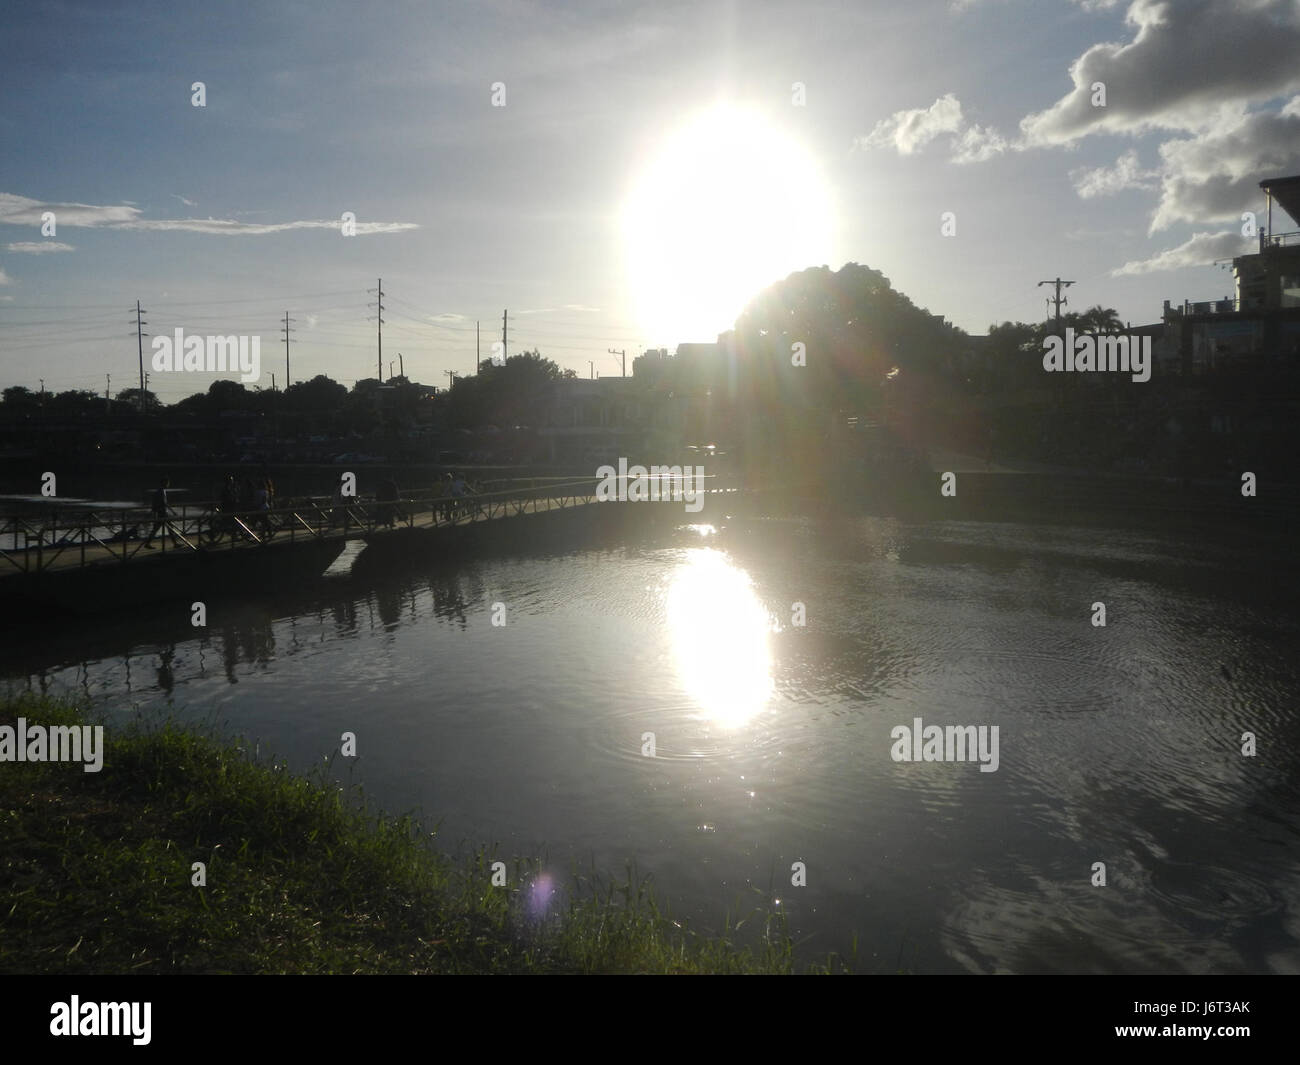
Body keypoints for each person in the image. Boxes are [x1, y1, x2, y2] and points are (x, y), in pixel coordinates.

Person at [142, 477, 178, 549]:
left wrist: (154, 510)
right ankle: (175, 544)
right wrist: (173, 511)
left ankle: (147, 543)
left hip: (160, 512)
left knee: (157, 529)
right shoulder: (162, 491)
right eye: (168, 483)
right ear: (164, 483)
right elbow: (165, 503)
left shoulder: (158, 491)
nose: (168, 484)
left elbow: (154, 502)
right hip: (163, 513)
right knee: (170, 528)